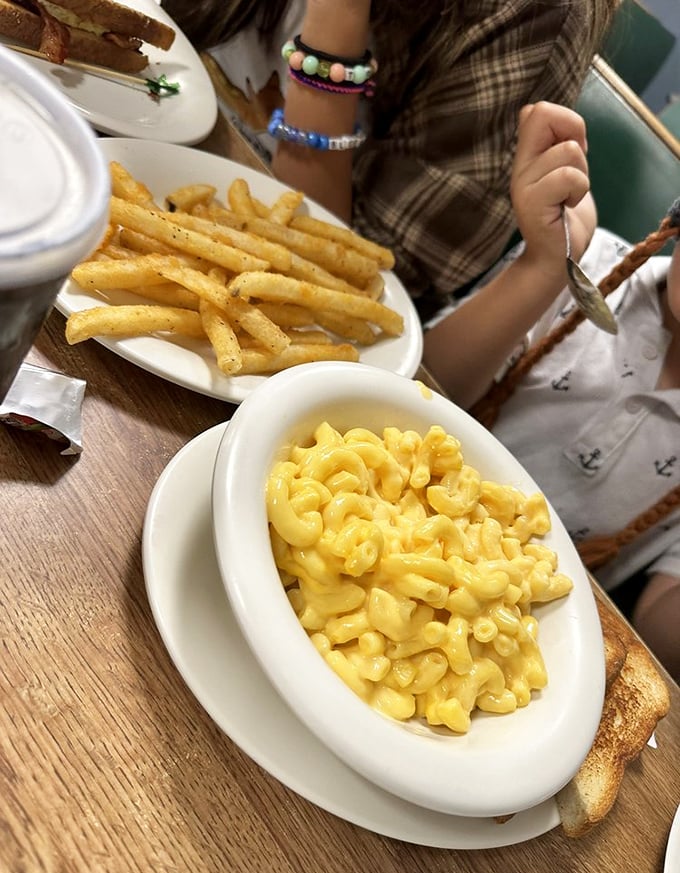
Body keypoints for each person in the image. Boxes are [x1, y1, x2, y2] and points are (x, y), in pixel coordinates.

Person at [422, 100, 680, 680]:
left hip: (523, 645)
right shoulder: (590, 265)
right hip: (404, 514)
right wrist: (542, 267)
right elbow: (428, 378)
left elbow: (657, 628)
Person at [162, 0, 618, 314]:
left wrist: (337, 17)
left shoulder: (538, 14)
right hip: (136, 157)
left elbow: (355, 276)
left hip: (244, 312)